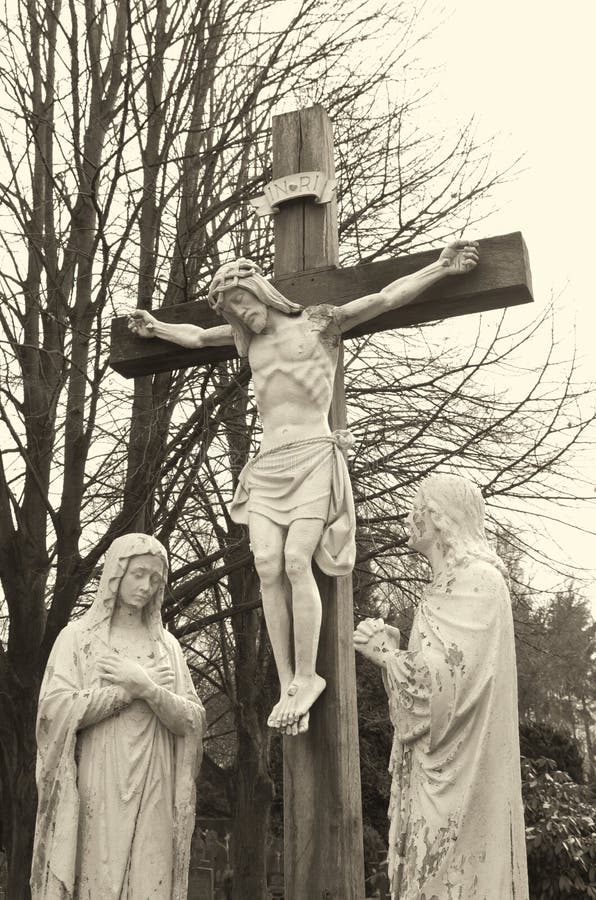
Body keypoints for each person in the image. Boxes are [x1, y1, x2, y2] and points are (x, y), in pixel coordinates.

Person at [128, 243, 479, 734]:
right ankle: (290, 677)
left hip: (315, 453)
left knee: (297, 562)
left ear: (261, 292)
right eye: (233, 313)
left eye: (244, 305)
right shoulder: (245, 342)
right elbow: (195, 338)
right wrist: (156, 328)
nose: (242, 317)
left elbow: (385, 298)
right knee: (268, 566)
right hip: (268, 463)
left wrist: (442, 267)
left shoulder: (320, 321)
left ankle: (309, 674)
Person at [354, 474, 529, 900]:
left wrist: (386, 655)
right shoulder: (443, 590)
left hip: (462, 786)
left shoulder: (478, 583)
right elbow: (438, 675)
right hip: (437, 781)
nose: (411, 516)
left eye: (420, 506)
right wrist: (398, 652)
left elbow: (439, 694)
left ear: (441, 517)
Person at [30, 533, 206, 900]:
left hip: (155, 783)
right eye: (138, 574)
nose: (146, 586)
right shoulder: (78, 639)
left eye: (155, 579)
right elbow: (53, 713)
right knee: (96, 880)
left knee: (150, 880)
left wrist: (149, 690)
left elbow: (193, 720)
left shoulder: (167, 646)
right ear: (116, 573)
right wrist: (123, 693)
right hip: (100, 782)